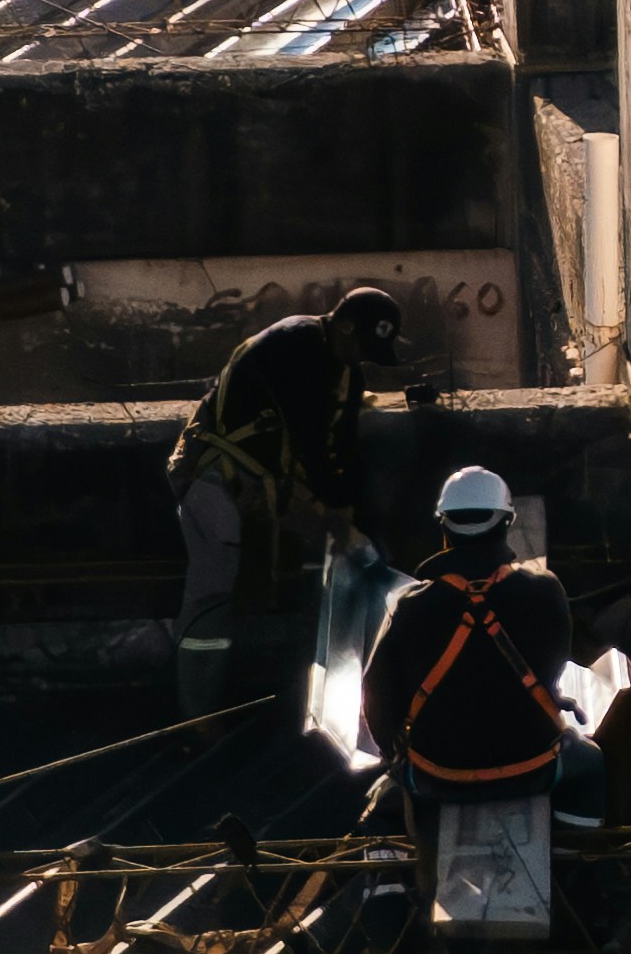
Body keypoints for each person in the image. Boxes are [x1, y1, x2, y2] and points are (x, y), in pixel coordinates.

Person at [171, 281, 410, 722]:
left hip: (264, 487)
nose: (361, 360)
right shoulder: (296, 344)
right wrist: (336, 512)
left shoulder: (346, 369)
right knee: (212, 602)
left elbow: (345, 446)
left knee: (334, 562)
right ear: (342, 325)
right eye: (360, 346)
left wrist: (350, 516)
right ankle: (197, 718)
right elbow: (311, 441)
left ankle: (318, 696)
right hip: (219, 483)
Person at [355, 458, 580, 859]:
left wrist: (399, 757)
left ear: (443, 528)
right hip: (531, 768)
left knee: (381, 802)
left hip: (437, 775)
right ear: (507, 523)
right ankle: (579, 868)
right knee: (591, 765)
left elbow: (376, 696)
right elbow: (554, 666)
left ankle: (389, 884)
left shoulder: (410, 606)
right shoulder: (546, 591)